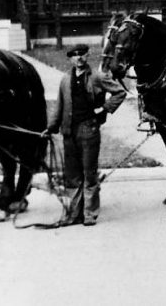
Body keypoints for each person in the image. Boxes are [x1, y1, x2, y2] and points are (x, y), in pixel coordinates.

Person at [47, 43, 127, 226]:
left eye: (82, 54)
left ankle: (89, 214)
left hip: (88, 130)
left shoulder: (98, 77)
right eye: (74, 55)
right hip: (69, 132)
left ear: (87, 55)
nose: (79, 58)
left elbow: (119, 92)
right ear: (70, 58)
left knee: (89, 174)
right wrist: (51, 127)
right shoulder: (65, 80)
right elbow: (59, 106)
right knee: (72, 176)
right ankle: (73, 214)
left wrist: (104, 109)